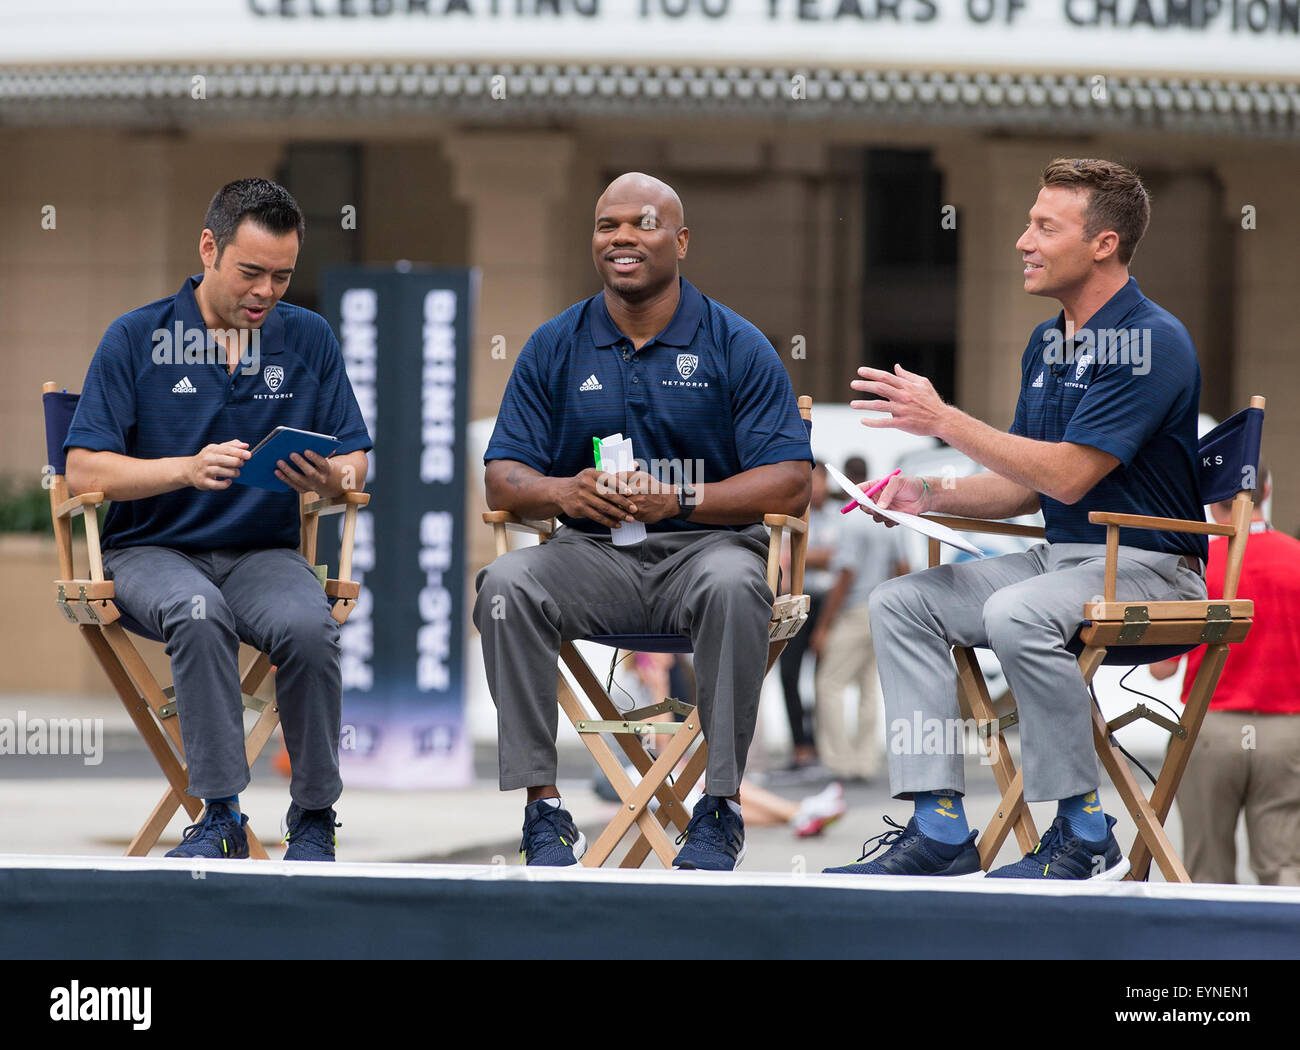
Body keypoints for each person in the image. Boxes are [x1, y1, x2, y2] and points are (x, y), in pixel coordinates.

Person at [826, 157, 1208, 880]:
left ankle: (1083, 827)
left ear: (1103, 244)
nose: (1021, 241)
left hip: (1154, 569)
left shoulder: (1152, 340)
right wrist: (927, 492)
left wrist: (943, 419)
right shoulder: (1046, 341)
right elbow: (1023, 485)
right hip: (1063, 566)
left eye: (1044, 226)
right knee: (901, 602)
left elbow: (1068, 472)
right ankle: (938, 822)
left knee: (1016, 611)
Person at [474, 172, 812, 871]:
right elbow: (501, 478)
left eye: (644, 223)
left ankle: (719, 808)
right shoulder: (553, 345)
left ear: (681, 240)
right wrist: (565, 490)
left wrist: (680, 502)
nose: (623, 237)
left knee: (732, 586)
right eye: (607, 225)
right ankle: (543, 808)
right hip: (592, 560)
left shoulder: (735, 344)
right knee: (504, 583)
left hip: (708, 553)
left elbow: (791, 479)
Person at [64, 178, 372, 861]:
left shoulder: (308, 338)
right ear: (209, 248)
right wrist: (183, 468)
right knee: (198, 613)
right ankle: (221, 812)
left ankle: (316, 815)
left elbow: (356, 462)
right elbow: (83, 469)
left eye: (284, 277)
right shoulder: (138, 337)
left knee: (309, 627)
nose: (266, 293)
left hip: (262, 553)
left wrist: (328, 476)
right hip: (151, 550)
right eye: (251, 272)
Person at [1150, 473, 1300, 885]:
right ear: (1267, 490)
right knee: (1286, 869)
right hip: (1287, 733)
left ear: (1209, 499)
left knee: (1206, 870)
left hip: (1209, 729)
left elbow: (1160, 668)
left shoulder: (1197, 567)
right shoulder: (1297, 558)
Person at [810, 456, 910, 781]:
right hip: (882, 609)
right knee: (868, 686)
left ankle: (841, 762)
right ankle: (865, 760)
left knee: (829, 684)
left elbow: (846, 574)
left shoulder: (851, 521)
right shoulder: (887, 516)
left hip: (855, 610)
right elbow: (903, 569)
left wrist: (823, 625)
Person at [775, 461, 839, 772]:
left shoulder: (839, 516)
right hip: (796, 603)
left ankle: (826, 747)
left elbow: (838, 557)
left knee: (825, 679)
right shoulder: (792, 515)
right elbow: (782, 562)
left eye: (820, 481)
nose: (817, 488)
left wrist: (803, 557)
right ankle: (801, 746)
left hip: (828, 604)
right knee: (788, 674)